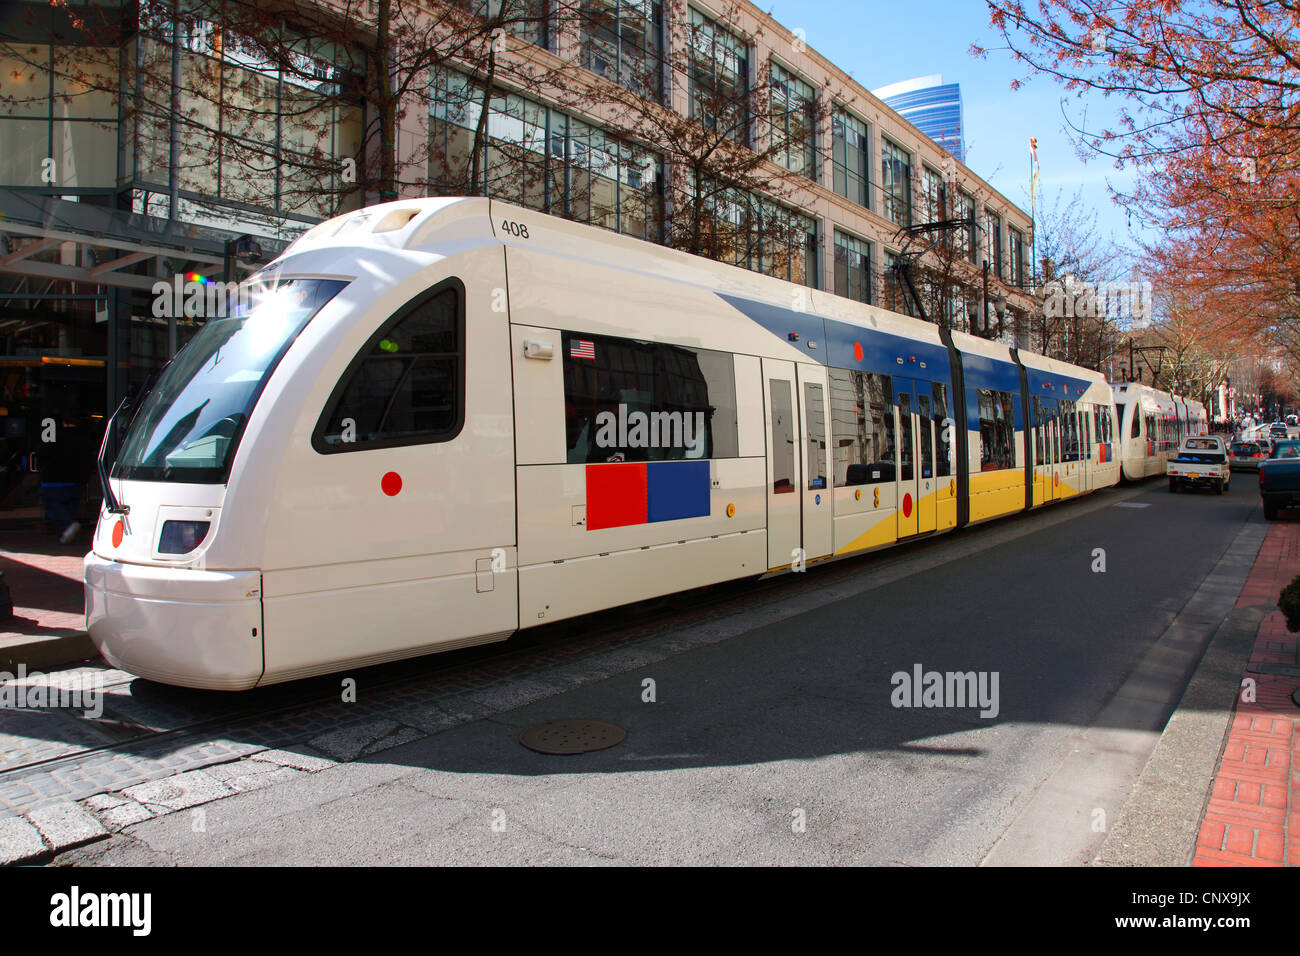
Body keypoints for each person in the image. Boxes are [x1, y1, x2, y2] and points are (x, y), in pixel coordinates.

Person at [39, 420, 84, 544]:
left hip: (53, 477)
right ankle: (64, 533)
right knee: (68, 507)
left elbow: (44, 452)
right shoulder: (79, 436)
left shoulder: (50, 429)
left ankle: (67, 526)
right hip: (75, 478)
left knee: (51, 505)